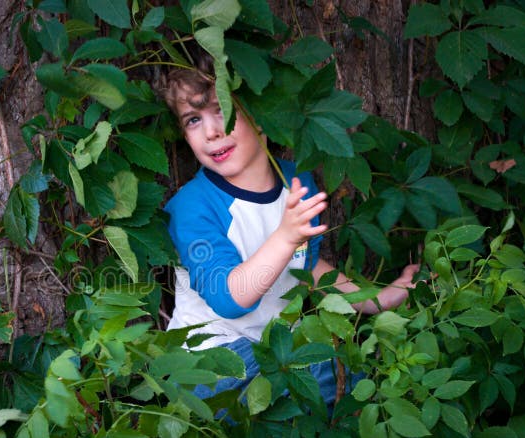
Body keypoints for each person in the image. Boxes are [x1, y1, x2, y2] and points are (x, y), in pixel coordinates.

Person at [158, 59, 419, 405]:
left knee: (351, 374)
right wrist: (285, 236)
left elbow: (304, 266)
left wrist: (375, 300)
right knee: (320, 379)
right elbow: (228, 299)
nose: (211, 132)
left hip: (273, 350)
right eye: (194, 120)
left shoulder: (295, 181)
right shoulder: (193, 206)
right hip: (206, 361)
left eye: (222, 109)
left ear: (263, 113)